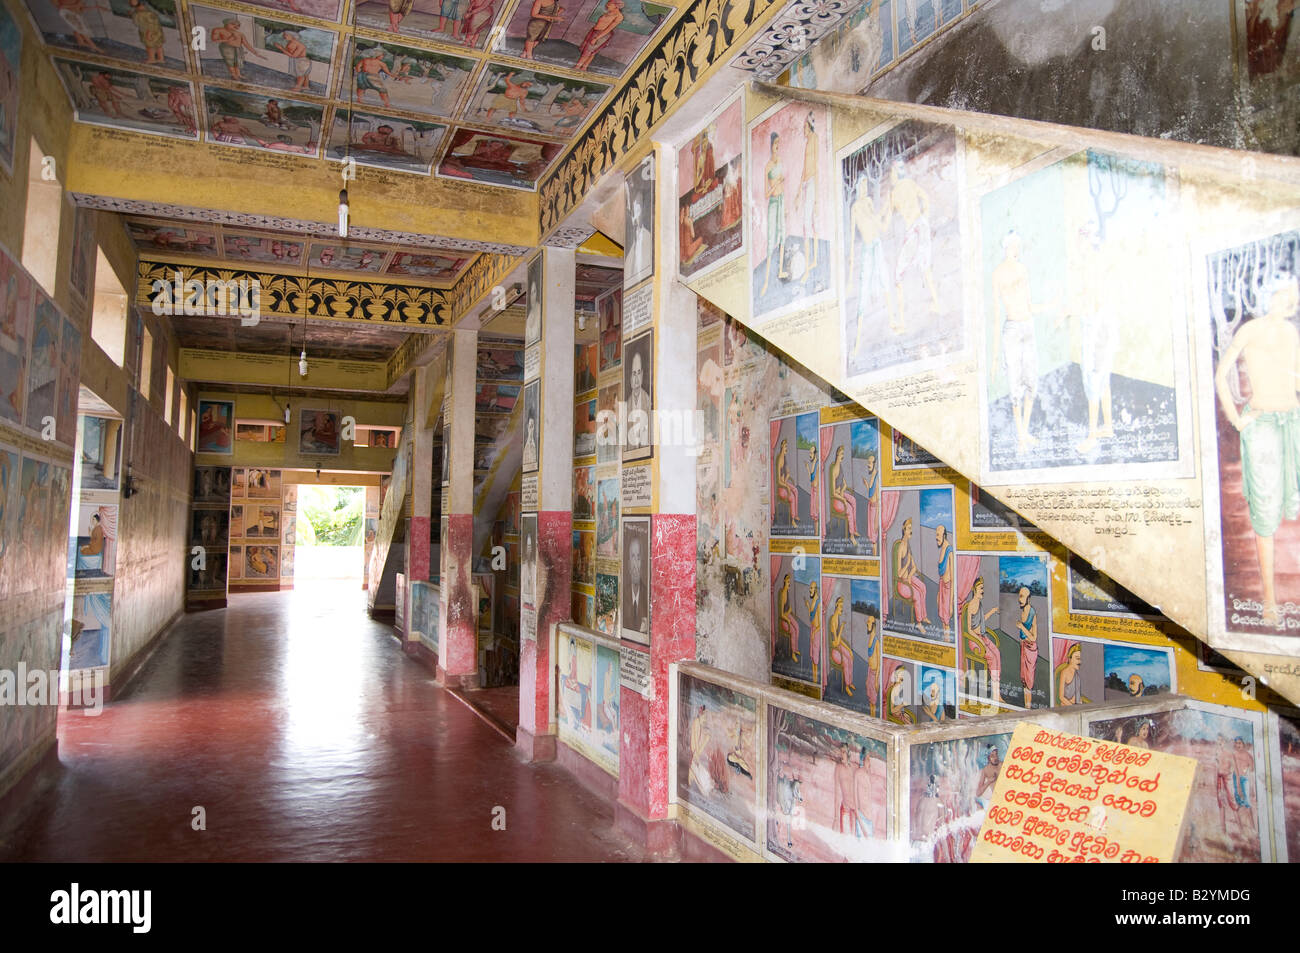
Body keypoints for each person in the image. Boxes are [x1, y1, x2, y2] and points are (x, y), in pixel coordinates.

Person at [1214, 271, 1300, 627]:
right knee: (1265, 510)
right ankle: (1269, 602)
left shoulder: (1292, 332)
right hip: (1261, 424)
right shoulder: (1251, 330)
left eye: (1293, 296)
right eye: (1283, 295)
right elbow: (1221, 375)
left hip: (1292, 421)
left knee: (1291, 504)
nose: (1290, 301)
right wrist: (1237, 419)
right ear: (1269, 297)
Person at [991, 229, 1048, 455]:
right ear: (1008, 246)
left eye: (1018, 245)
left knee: (1030, 383)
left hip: (1027, 327)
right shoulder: (997, 273)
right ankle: (1021, 437)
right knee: (1015, 386)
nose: (1017, 249)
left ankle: (1024, 433)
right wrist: (995, 357)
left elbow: (1030, 305)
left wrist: (1049, 306)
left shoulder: (1023, 269)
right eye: (1014, 245)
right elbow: (997, 315)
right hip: (1012, 330)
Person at [1071, 219, 1119, 453]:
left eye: (1081, 236)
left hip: (1098, 324)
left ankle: (1091, 436)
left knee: (1093, 376)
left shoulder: (1092, 263)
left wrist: (1088, 314)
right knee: (1103, 378)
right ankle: (1107, 426)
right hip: (1099, 322)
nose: (1078, 241)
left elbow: (1096, 297)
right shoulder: (1089, 263)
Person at [887, 157, 940, 329]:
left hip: (914, 231)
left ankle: (902, 322)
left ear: (895, 172)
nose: (891, 176)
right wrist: (925, 217)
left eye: (891, 172)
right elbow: (925, 199)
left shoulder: (894, 193)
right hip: (921, 226)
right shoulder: (909, 184)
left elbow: (886, 223)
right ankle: (936, 304)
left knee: (898, 275)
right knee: (925, 269)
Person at [850, 171, 895, 348]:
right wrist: (850, 268)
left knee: (884, 280)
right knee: (863, 290)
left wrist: (887, 209)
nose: (864, 188)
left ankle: (892, 320)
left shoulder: (868, 202)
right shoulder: (855, 207)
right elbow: (854, 235)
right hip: (868, 249)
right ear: (857, 186)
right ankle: (858, 340)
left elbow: (879, 225)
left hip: (876, 244)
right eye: (862, 184)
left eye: (865, 184)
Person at [961, 576, 1001, 704]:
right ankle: (995, 696)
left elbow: (981, 620)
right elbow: (968, 629)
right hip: (974, 641)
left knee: (997, 654)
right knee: (992, 658)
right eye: (981, 588)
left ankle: (997, 693)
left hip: (982, 637)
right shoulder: (970, 605)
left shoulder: (979, 603)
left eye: (983, 588)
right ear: (975, 589)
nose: (983, 590)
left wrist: (992, 611)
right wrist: (980, 641)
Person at [760, 131, 788, 295]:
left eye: (779, 143)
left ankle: (780, 271)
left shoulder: (781, 162)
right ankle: (766, 281)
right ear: (771, 146)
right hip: (772, 203)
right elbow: (766, 194)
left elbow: (782, 187)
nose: (778, 146)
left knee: (782, 235)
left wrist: (785, 208)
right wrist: (776, 182)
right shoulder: (768, 166)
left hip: (781, 200)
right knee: (771, 240)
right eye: (776, 143)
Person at [892, 517, 929, 624]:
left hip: (908, 579)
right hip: (901, 583)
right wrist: (907, 565)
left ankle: (924, 616)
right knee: (917, 594)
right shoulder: (900, 548)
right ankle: (919, 622)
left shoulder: (908, 545)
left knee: (923, 587)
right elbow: (899, 573)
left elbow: (914, 568)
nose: (911, 531)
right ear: (904, 530)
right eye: (909, 528)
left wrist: (909, 577)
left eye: (911, 528)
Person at [797, 111, 819, 274]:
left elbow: (815, 166)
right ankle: (809, 260)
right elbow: (804, 168)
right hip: (806, 183)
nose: (803, 129)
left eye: (805, 126)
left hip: (812, 182)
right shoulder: (807, 144)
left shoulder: (815, 139)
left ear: (809, 126)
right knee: (806, 222)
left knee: (812, 221)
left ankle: (814, 259)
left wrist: (816, 196)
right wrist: (798, 191)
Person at [575, 0, 623, 71]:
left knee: (587, 52)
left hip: (602, 35)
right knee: (591, 52)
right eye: (607, 4)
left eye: (609, 4)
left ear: (616, 6)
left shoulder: (619, 16)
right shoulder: (609, 12)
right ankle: (584, 67)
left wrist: (596, 38)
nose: (606, 6)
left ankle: (577, 67)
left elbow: (608, 29)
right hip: (594, 31)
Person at [212, 18, 264, 82]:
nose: (236, 27)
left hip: (238, 49)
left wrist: (255, 53)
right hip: (227, 48)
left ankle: (238, 74)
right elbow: (214, 40)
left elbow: (246, 44)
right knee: (230, 62)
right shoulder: (219, 30)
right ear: (226, 23)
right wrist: (227, 40)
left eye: (238, 25)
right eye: (233, 24)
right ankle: (234, 75)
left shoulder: (240, 34)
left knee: (238, 62)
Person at [828, 444, 859, 546]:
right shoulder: (833, 469)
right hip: (836, 498)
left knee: (853, 500)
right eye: (841, 454)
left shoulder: (840, 466)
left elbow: (843, 482)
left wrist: (844, 488)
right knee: (849, 508)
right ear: (837, 454)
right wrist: (842, 498)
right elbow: (833, 493)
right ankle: (851, 536)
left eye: (843, 454)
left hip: (841, 493)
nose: (842, 456)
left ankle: (854, 529)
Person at [1015, 584, 1037, 708]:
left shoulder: (1032, 612)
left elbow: (1034, 637)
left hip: (1030, 649)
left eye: (1022, 596)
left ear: (1028, 598)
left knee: (1029, 682)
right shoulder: (1023, 610)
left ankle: (1028, 708)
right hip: (1023, 647)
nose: (1020, 599)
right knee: (1024, 681)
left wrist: (1021, 626)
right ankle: (1026, 707)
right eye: (1019, 596)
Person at [827, 594, 853, 695]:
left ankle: (849, 682)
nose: (842, 609)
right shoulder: (833, 620)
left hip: (838, 646)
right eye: (841, 606)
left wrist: (848, 649)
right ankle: (846, 686)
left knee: (850, 656)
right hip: (834, 649)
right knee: (846, 661)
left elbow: (840, 640)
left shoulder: (837, 618)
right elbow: (836, 642)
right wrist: (841, 629)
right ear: (837, 606)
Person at [626, 350, 651, 450]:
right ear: (630, 376)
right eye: (634, 373)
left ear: (642, 374)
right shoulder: (627, 405)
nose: (636, 378)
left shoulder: (648, 401)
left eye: (639, 373)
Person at [129, 0, 166, 65]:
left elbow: (152, 23)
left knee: (150, 46)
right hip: (150, 30)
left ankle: (152, 58)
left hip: (150, 31)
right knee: (157, 44)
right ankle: (161, 58)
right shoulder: (138, 11)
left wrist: (149, 32)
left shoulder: (146, 13)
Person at [625, 531, 648, 634]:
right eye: (633, 556)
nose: (635, 565)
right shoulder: (623, 594)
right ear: (629, 564)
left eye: (638, 558)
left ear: (642, 563)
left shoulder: (647, 595)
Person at [774, 437, 798, 524]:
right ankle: (792, 520)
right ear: (781, 447)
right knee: (792, 497)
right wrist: (786, 486)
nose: (786, 449)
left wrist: (787, 477)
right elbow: (778, 481)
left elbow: (787, 472)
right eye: (785, 447)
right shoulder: (779, 460)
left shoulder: (784, 457)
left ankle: (796, 515)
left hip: (784, 483)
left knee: (795, 490)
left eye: (787, 447)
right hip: (781, 487)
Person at [934, 524, 953, 629]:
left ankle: (948, 641)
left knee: (946, 622)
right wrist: (938, 593)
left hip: (947, 589)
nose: (936, 537)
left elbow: (953, 579)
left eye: (938, 535)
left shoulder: (949, 550)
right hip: (942, 587)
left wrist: (951, 604)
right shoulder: (942, 548)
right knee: (942, 619)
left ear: (944, 536)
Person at [833, 744, 855, 834]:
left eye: (844, 752)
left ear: (848, 754)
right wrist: (836, 817)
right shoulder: (838, 768)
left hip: (856, 809)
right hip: (845, 808)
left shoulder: (853, 768)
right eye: (840, 752)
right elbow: (837, 793)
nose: (842, 755)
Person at [776, 572, 798, 662]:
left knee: (797, 627)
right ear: (785, 581)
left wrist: (789, 613)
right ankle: (793, 654)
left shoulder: (787, 592)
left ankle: (795, 649)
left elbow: (789, 609)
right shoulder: (782, 593)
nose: (789, 583)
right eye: (788, 581)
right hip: (783, 618)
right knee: (793, 631)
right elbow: (781, 614)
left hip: (787, 615)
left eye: (790, 582)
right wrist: (787, 620)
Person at [860, 451, 879, 554]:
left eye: (870, 463)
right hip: (871, 508)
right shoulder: (872, 476)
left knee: (874, 540)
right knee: (872, 539)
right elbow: (871, 495)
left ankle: (875, 558)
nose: (868, 465)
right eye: (868, 462)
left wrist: (876, 519)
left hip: (875, 509)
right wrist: (866, 485)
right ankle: (874, 556)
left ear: (875, 464)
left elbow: (879, 500)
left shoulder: (877, 478)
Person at [804, 579, 821, 684]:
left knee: (815, 656)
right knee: (812, 655)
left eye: (812, 588)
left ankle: (815, 679)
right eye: (810, 587)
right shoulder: (813, 601)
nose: (810, 590)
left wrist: (814, 634)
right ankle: (814, 677)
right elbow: (812, 616)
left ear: (816, 590)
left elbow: (819, 625)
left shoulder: (818, 603)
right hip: (813, 629)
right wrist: (808, 606)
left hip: (816, 632)